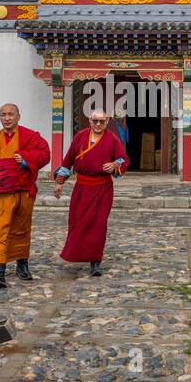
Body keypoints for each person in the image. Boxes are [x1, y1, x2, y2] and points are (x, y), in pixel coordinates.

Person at [0, 103, 50, 288]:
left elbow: (45, 154)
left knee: (21, 229)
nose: (7, 118)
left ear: (18, 116)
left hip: (23, 191)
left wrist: (27, 158)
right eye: (3, 114)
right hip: (1, 193)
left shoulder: (29, 137)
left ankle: (22, 265)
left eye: (11, 114)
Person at [53, 109, 129, 276]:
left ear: (107, 121)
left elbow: (124, 159)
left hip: (103, 189)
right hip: (81, 188)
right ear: (89, 120)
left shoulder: (112, 139)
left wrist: (115, 165)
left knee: (98, 225)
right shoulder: (80, 136)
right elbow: (68, 160)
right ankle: (78, 254)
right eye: (95, 121)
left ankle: (96, 262)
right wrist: (59, 183)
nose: (98, 124)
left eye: (101, 121)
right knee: (78, 222)